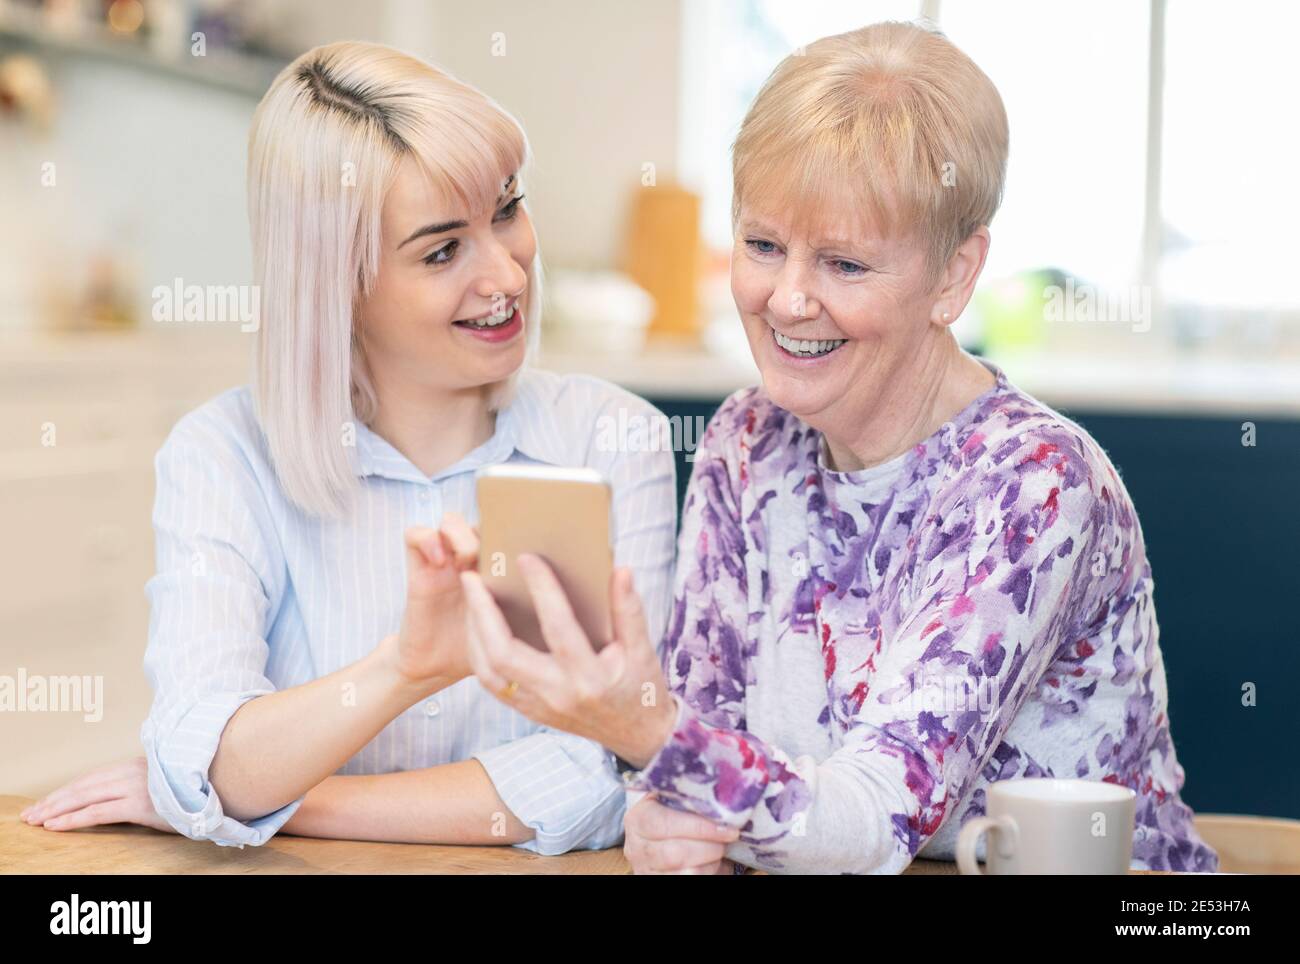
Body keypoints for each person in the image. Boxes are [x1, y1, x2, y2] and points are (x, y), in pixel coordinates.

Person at [459, 21, 1221, 874]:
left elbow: (870, 820)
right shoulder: (745, 441)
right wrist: (660, 817)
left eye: (844, 265)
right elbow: (700, 753)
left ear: (954, 277)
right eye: (763, 246)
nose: (787, 300)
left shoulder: (1034, 485)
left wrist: (647, 736)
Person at [18, 41, 676, 855]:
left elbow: (612, 774)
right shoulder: (223, 455)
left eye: (507, 209)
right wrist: (406, 668)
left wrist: (268, 798)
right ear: (337, 281)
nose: (507, 274)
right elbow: (207, 750)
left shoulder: (615, 438)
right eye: (442, 251)